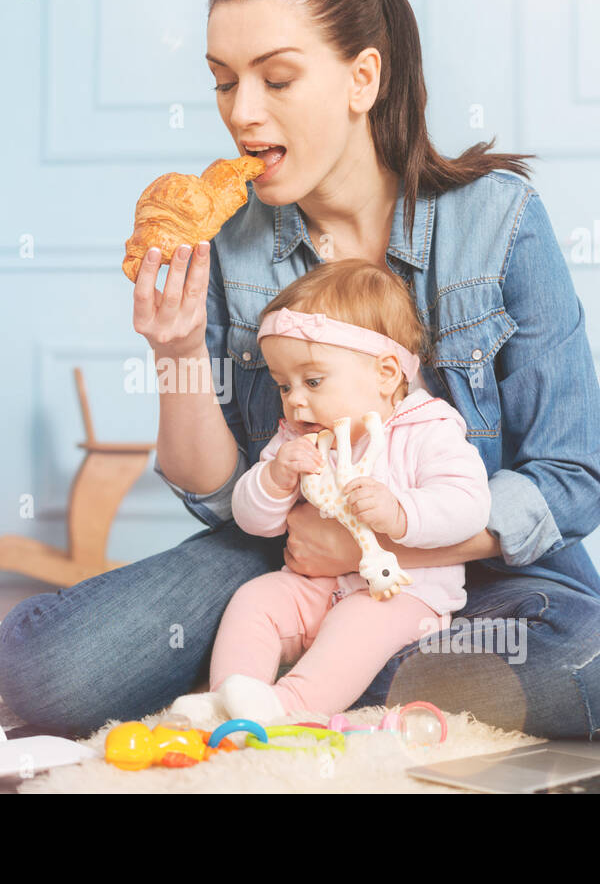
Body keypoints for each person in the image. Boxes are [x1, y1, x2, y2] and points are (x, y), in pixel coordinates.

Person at [0, 0, 600, 741]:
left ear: (362, 79)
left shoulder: (500, 222)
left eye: (276, 79)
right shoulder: (225, 248)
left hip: (482, 579)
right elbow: (216, 494)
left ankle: (274, 687)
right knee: (47, 668)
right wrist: (174, 352)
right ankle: (319, 682)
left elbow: (572, 477)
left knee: (599, 663)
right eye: (223, 81)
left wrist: (381, 540)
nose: (242, 113)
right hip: (292, 564)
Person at [168, 259, 491, 726]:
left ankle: (287, 707)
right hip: (316, 583)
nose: (295, 399)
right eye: (283, 385)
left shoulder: (429, 428)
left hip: (400, 595)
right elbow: (253, 519)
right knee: (256, 601)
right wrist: (274, 479)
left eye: (312, 381)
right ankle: (229, 700)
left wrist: (401, 513)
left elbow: (469, 504)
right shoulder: (298, 440)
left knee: (354, 629)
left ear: (385, 374)